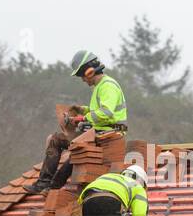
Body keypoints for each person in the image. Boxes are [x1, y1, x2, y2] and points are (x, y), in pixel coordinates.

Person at [28, 49, 128, 193]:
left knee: (59, 142)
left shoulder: (107, 86)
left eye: (82, 76)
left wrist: (82, 118)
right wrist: (82, 110)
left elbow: (106, 112)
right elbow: (100, 111)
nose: (83, 79)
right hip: (102, 133)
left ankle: (46, 185)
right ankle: (50, 187)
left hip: (108, 137)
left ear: (89, 72)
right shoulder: (100, 86)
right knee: (75, 153)